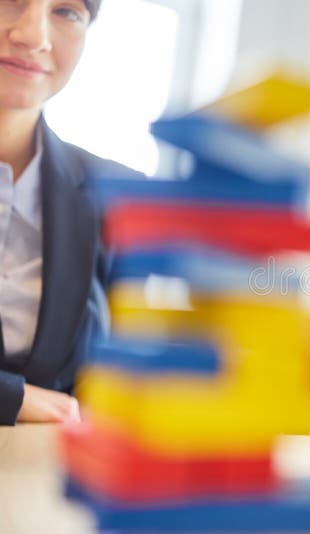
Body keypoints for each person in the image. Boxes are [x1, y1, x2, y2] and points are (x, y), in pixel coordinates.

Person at [0, 0, 128, 425]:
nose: (33, 35)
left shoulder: (113, 193)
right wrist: (12, 400)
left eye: (67, 12)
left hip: (48, 481)